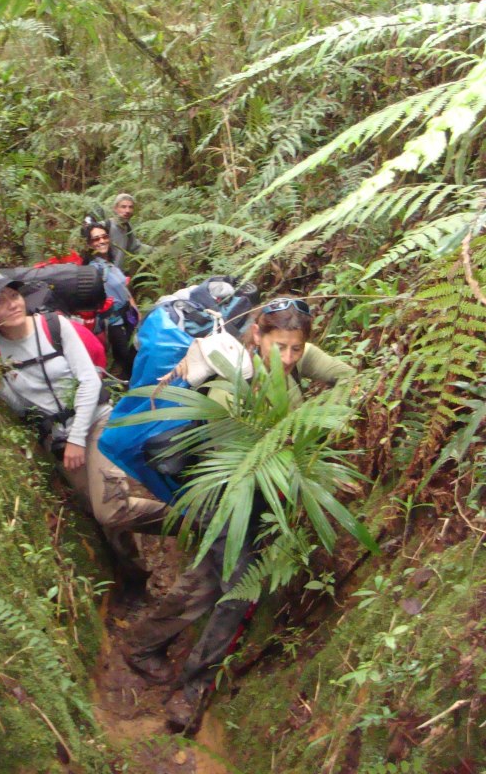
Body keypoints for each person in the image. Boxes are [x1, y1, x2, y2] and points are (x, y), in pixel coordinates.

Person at [122, 297, 354, 733]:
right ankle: (192, 691)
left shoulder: (294, 358)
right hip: (225, 495)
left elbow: (347, 377)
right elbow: (227, 457)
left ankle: (141, 644)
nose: (287, 359)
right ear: (256, 336)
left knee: (208, 581)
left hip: (261, 494)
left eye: (296, 350)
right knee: (237, 591)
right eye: (279, 346)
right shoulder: (231, 386)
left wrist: (309, 419)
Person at [0, 272, 168, 583]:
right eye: (0, 302)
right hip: (60, 440)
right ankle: (136, 576)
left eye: (14, 296)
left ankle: (190, 522)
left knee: (110, 510)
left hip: (95, 423)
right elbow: (24, 409)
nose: (12, 305)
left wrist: (77, 438)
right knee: (101, 512)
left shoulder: (53, 326)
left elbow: (90, 379)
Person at [82, 221, 139, 380]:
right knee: (128, 359)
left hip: (128, 317)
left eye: (104, 237)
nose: (101, 241)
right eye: (96, 239)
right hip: (114, 323)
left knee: (134, 354)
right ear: (88, 244)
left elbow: (123, 288)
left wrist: (135, 309)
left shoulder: (110, 263)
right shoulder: (93, 269)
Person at [108, 193, 152, 271]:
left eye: (130, 207)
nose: (127, 211)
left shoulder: (127, 227)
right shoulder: (106, 226)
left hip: (118, 275)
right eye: (123, 207)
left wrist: (156, 251)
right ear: (115, 208)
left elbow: (135, 247)